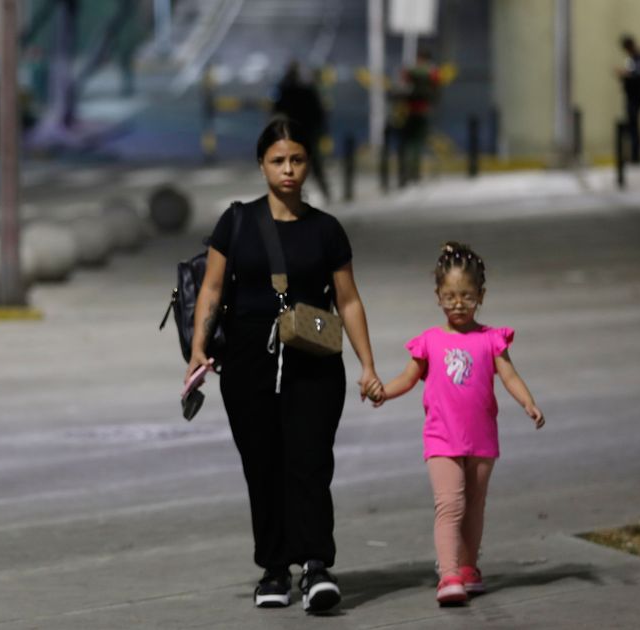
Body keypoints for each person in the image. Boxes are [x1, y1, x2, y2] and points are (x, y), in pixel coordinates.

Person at [187, 118, 384, 614]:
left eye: (296, 160)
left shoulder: (326, 230)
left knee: (310, 462)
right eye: (278, 161)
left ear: (308, 164)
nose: (288, 170)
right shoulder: (235, 223)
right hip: (248, 361)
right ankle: (274, 570)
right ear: (261, 165)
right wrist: (198, 347)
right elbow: (210, 288)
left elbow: (349, 300)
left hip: (314, 361)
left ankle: (316, 565)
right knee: (263, 465)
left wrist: (368, 364)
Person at [366, 242, 545, 606]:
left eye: (466, 295)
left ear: (481, 295)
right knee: (450, 505)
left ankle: (468, 568)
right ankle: (448, 574)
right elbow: (407, 377)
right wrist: (382, 391)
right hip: (442, 439)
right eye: (449, 296)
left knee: (474, 507)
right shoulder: (430, 342)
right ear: (437, 297)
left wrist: (528, 402)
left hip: (481, 440)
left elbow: (509, 377)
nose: (458, 303)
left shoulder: (491, 339)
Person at [271, 61, 331, 204]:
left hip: (294, 133)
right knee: (312, 163)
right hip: (308, 132)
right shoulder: (307, 89)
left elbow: (276, 109)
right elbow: (319, 112)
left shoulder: (285, 89)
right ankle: (324, 192)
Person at [399, 49, 443, 185]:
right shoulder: (433, 72)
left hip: (409, 111)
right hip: (424, 110)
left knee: (409, 143)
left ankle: (408, 172)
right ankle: (414, 172)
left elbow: (402, 83)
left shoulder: (411, 71)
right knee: (417, 142)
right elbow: (437, 89)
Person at [617, 35, 640, 164]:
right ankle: (632, 154)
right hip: (630, 94)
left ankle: (636, 155)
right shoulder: (631, 59)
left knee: (634, 125)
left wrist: (626, 74)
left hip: (636, 95)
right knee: (631, 125)